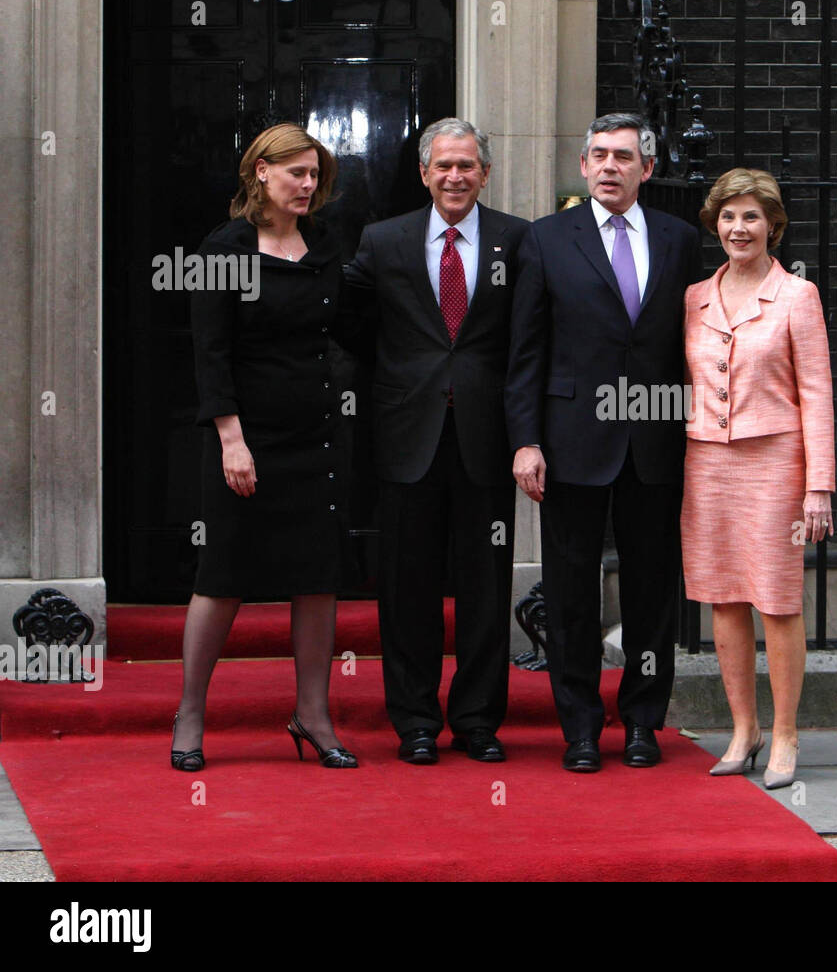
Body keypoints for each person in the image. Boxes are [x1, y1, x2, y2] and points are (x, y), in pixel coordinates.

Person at [507, 113, 702, 772]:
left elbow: (694, 347)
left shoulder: (680, 240)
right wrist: (525, 440)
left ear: (647, 169)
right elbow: (526, 351)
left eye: (624, 156)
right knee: (569, 592)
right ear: (584, 166)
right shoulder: (545, 239)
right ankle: (581, 727)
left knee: (652, 589)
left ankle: (644, 721)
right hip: (570, 440)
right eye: (599, 155)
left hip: (654, 440)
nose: (610, 166)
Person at [341, 118, 529, 764]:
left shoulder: (516, 240)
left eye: (468, 165)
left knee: (485, 585)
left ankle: (477, 719)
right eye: (444, 165)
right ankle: (415, 720)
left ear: (484, 173)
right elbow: (353, 329)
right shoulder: (383, 240)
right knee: (407, 587)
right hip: (406, 434)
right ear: (424, 173)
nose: (456, 176)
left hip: (486, 436)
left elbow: (526, 343)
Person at [172, 122, 358, 770]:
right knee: (223, 576)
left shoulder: (325, 245)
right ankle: (190, 714)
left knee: (317, 579)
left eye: (314, 175)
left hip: (315, 439)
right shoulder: (222, 248)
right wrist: (232, 442)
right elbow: (211, 357)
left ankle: (312, 714)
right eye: (296, 173)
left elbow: (348, 331)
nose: (308, 185)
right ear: (261, 173)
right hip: (245, 442)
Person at [681, 168, 835, 789]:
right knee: (724, 595)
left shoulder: (798, 295)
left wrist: (817, 484)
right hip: (708, 462)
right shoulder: (694, 296)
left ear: (773, 226)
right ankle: (743, 730)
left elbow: (817, 392)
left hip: (775, 462)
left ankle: (787, 733)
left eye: (750, 217)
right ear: (714, 224)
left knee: (776, 598)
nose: (738, 228)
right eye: (727, 216)